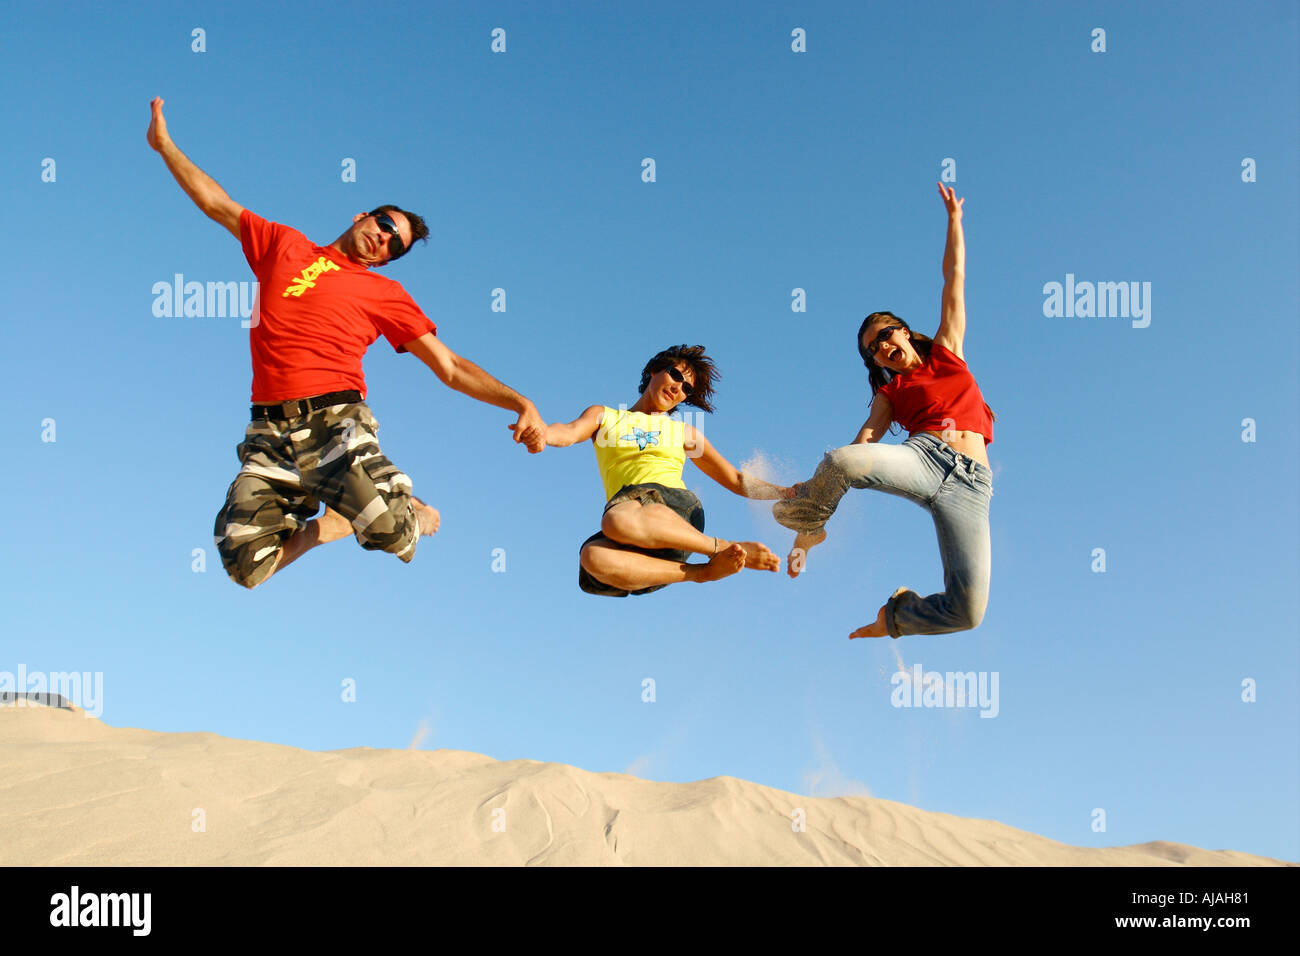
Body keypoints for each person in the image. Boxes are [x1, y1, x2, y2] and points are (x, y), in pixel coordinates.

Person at [146, 97, 546, 589]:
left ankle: (402, 503)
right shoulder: (283, 245)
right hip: (268, 431)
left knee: (390, 532)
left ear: (386, 261)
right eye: (383, 225)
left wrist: (519, 401)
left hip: (333, 421)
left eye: (394, 245)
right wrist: (165, 146)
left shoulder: (385, 293)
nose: (384, 239)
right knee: (245, 566)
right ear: (362, 216)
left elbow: (449, 366)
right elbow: (217, 203)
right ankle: (335, 521)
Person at [773, 184, 996, 639]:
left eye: (887, 334)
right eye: (873, 349)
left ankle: (895, 615)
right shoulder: (891, 392)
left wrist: (955, 220)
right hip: (924, 458)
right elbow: (865, 444)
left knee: (967, 612)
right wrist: (825, 484)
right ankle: (810, 528)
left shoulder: (946, 353)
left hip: (972, 487)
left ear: (907, 332)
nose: (883, 346)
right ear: (875, 362)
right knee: (841, 460)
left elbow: (954, 279)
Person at [543, 345, 787, 595]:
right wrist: (543, 433)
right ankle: (702, 572)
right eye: (676, 375)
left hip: (675, 510)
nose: (678, 387)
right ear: (653, 371)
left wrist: (788, 493)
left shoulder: (684, 432)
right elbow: (569, 432)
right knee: (593, 557)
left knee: (616, 520)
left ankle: (719, 546)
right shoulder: (605, 417)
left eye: (687, 389)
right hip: (636, 527)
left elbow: (736, 480)